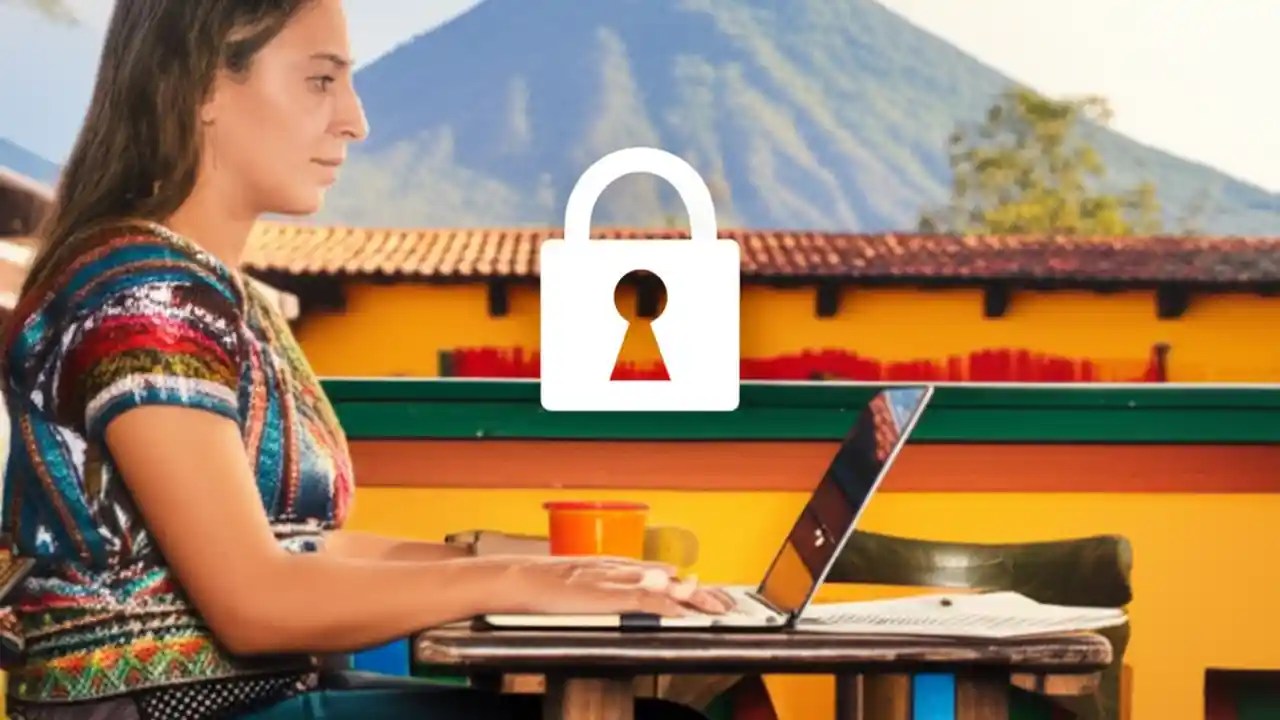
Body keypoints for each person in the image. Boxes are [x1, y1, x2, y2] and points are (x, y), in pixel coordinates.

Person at [0, 2, 731, 718]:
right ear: (203, 88)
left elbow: (299, 547)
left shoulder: (212, 292)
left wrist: (546, 568)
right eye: (322, 80)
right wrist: (515, 579)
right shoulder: (145, 295)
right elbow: (254, 603)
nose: (355, 118)